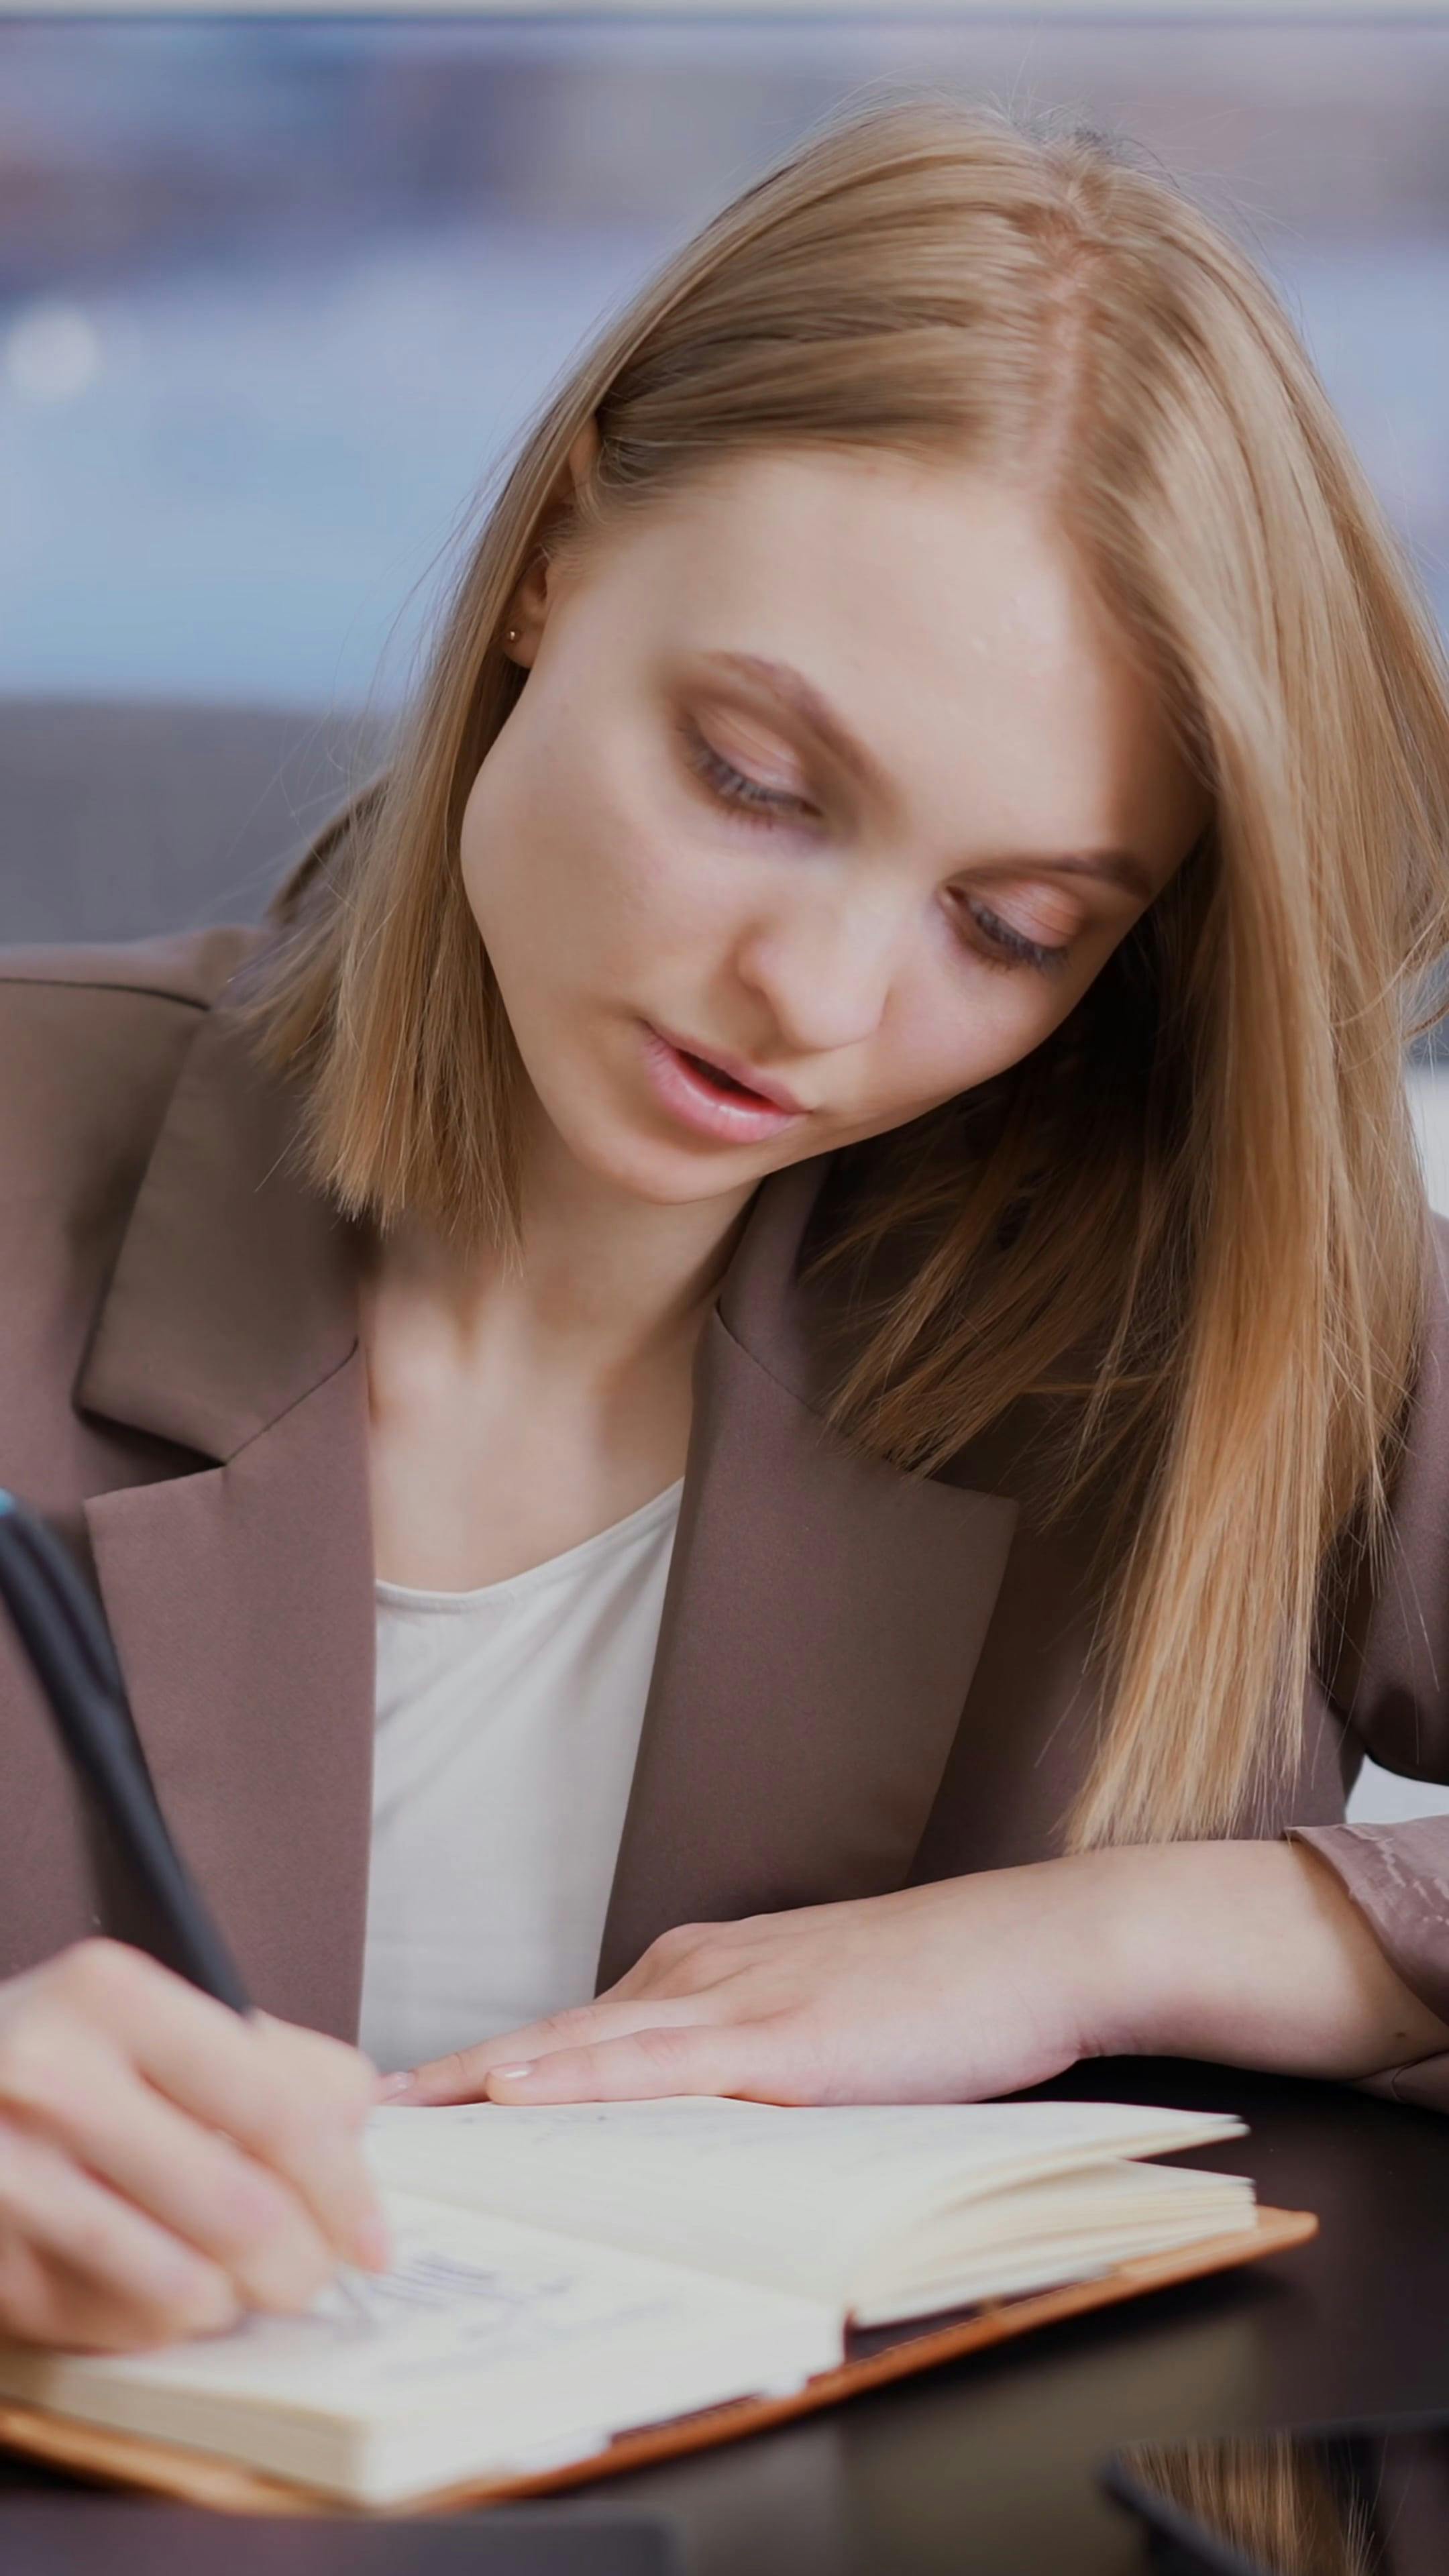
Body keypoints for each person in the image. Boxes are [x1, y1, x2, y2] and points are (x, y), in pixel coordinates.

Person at [3, 93, 1449, 2359]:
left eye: (1016, 924)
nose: (821, 1000)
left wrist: (1117, 1939)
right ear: (560, 548)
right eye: (757, 785)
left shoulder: (1224, 1292)